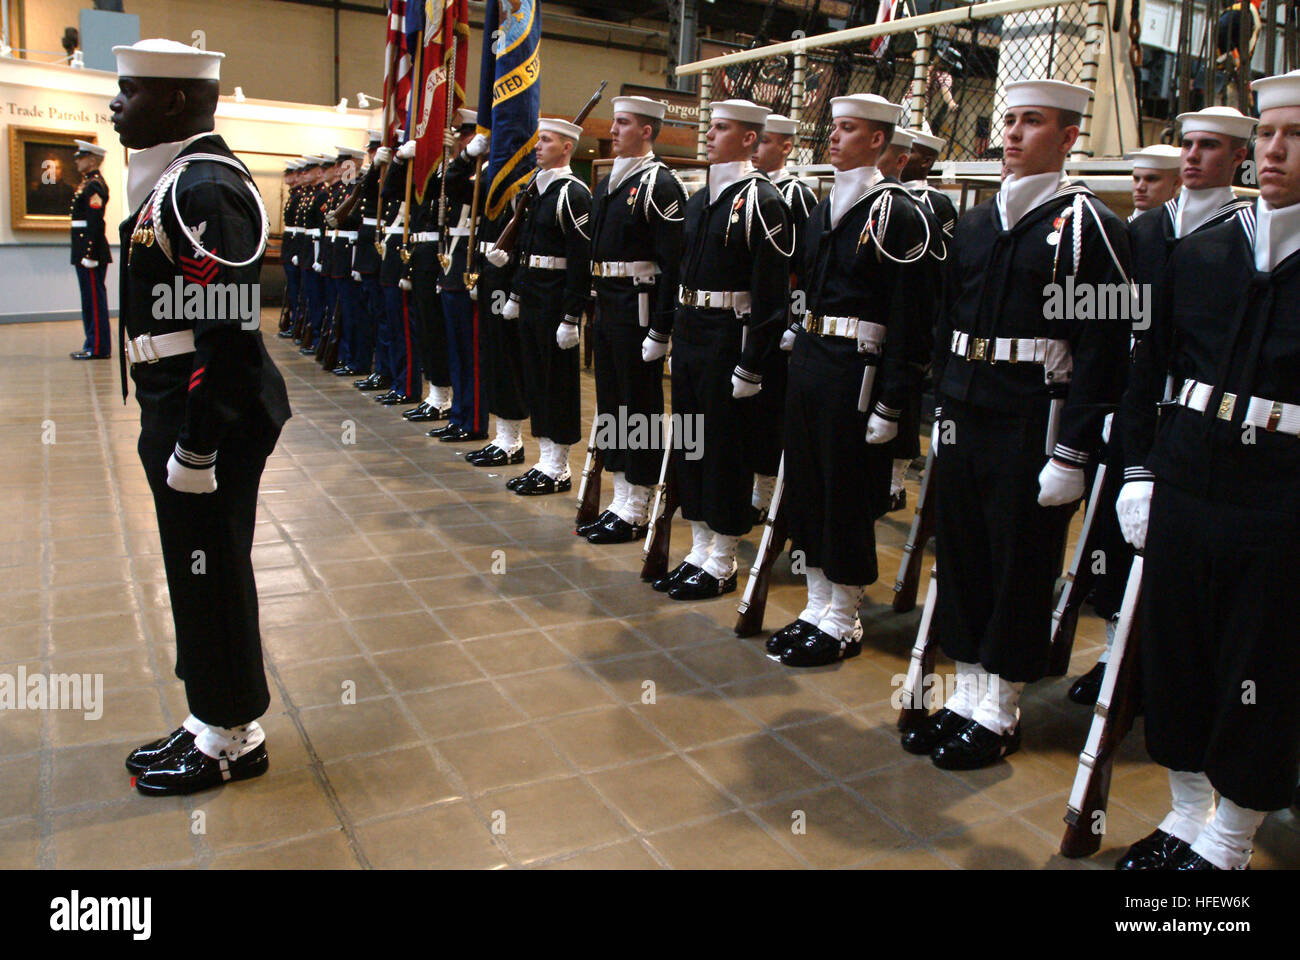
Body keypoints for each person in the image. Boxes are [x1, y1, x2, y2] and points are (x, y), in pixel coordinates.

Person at [904, 79, 1131, 770]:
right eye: (1009, 121)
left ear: (1067, 139)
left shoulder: (1087, 229)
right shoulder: (973, 223)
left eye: (1032, 123)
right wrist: (941, 403)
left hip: (1033, 414)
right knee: (965, 550)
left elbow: (1103, 352)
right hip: (969, 407)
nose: (1012, 134)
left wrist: (1072, 452)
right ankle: (969, 692)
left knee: (1019, 562)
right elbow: (946, 320)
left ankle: (1001, 711)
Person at [1113, 69, 1300, 871]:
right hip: (1188, 473)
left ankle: (1232, 835)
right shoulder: (1204, 252)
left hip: (1281, 492)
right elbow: (1151, 368)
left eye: (1296, 137)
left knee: (1261, 664)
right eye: (1267, 134)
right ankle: (1188, 810)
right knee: (1178, 649)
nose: (1278, 150)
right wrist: (1139, 470)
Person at [110, 38, 290, 795]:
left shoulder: (204, 188)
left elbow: (230, 333)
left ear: (176, 102)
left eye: (131, 91)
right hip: (179, 397)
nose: (116, 104)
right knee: (197, 568)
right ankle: (208, 715)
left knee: (210, 569)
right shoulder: (173, 182)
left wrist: (198, 446)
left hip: (208, 409)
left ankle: (232, 737)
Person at [1068, 107, 1254, 707]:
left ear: (1237, 159)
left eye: (1209, 147)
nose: (1194, 156)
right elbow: (1100, 317)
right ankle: (1116, 649)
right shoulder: (1144, 231)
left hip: (1193, 412)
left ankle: (1158, 663)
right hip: (1135, 403)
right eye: (1188, 145)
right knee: (1111, 545)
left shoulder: (1244, 236)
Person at [767, 94, 933, 667]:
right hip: (814, 357)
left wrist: (894, 398)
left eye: (848, 130)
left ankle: (844, 617)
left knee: (845, 493)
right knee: (809, 486)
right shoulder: (825, 204)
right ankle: (816, 606)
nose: (833, 138)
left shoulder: (896, 211)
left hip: (856, 368)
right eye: (833, 128)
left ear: (879, 141)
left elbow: (912, 318)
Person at [645, 99, 793, 600]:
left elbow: (773, 297)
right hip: (692, 329)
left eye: (722, 128)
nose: (709, 135)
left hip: (730, 335)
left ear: (750, 139)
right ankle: (699, 547)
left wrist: (754, 364)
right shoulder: (700, 198)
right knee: (691, 442)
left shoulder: (761, 200)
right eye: (711, 127)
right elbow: (677, 273)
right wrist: (666, 331)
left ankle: (724, 557)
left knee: (725, 448)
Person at [578, 95, 686, 542]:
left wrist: (661, 329)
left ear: (646, 130)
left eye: (623, 123)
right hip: (608, 304)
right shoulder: (609, 183)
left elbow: (672, 265)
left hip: (638, 310)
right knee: (612, 404)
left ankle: (639, 501)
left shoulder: (660, 184)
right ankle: (621, 495)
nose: (614, 131)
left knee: (638, 407)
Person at [495, 116, 592, 493]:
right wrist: (516, 295)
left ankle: (559, 466)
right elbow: (526, 249)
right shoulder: (538, 189)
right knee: (536, 379)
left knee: (558, 382)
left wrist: (571, 316)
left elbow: (580, 260)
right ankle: (545, 458)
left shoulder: (573, 193)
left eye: (547, 141)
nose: (538, 146)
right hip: (533, 295)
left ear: (567, 147)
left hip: (555, 300)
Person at [747, 112, 815, 526]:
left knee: (770, 408)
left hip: (781, 319)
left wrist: (796, 321)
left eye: (765, 142)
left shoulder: (796, 195)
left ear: (786, 146)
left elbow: (805, 268)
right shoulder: (748, 190)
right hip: (750, 317)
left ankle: (765, 491)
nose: (756, 150)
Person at [894, 127, 959, 513]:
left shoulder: (936, 203)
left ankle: (897, 475)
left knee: (908, 395)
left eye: (913, 151)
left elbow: (941, 268)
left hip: (925, 313)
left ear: (926, 160)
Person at [427, 109, 490, 441]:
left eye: (464, 136)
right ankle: (460, 414)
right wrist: (461, 157)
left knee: (472, 352)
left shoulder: (489, 172)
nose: (461, 141)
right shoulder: (464, 167)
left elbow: (453, 186)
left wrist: (466, 158)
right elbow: (441, 185)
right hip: (453, 265)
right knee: (456, 350)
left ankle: (474, 420)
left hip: (471, 266)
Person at [68, 139, 112, 360]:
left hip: (90, 251)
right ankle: (91, 343)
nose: (77, 161)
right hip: (83, 249)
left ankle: (98, 347)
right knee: (88, 299)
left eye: (81, 157)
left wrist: (90, 254)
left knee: (94, 301)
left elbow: (95, 222)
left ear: (93, 159)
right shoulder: (87, 183)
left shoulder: (95, 185)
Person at [1126, 144, 1183, 219]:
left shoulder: (1185, 226)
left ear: (1176, 183)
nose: (1139, 187)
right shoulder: (1127, 227)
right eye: (1136, 179)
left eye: (1151, 179)